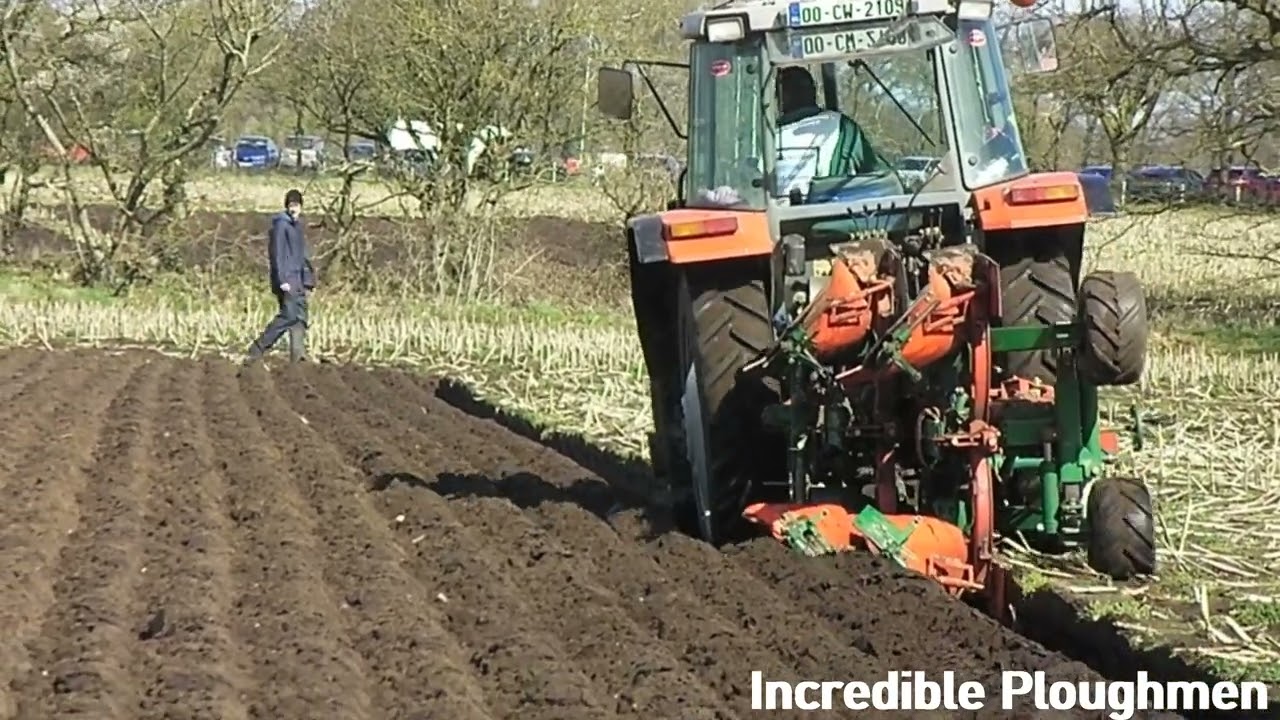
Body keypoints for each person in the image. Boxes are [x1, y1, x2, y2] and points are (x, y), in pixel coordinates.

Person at [775, 66, 883, 195]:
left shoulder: (764, 137)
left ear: (780, 97)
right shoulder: (843, 129)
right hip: (834, 212)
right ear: (814, 92)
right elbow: (876, 177)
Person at [242, 188, 315, 367]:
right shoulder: (281, 226)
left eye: (296, 205)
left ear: (301, 207)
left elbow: (303, 256)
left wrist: (308, 281)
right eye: (291, 205)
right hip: (287, 280)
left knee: (300, 318)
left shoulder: (297, 226)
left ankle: (298, 357)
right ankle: (257, 349)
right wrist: (282, 280)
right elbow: (278, 255)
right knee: (289, 315)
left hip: (299, 280)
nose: (293, 208)